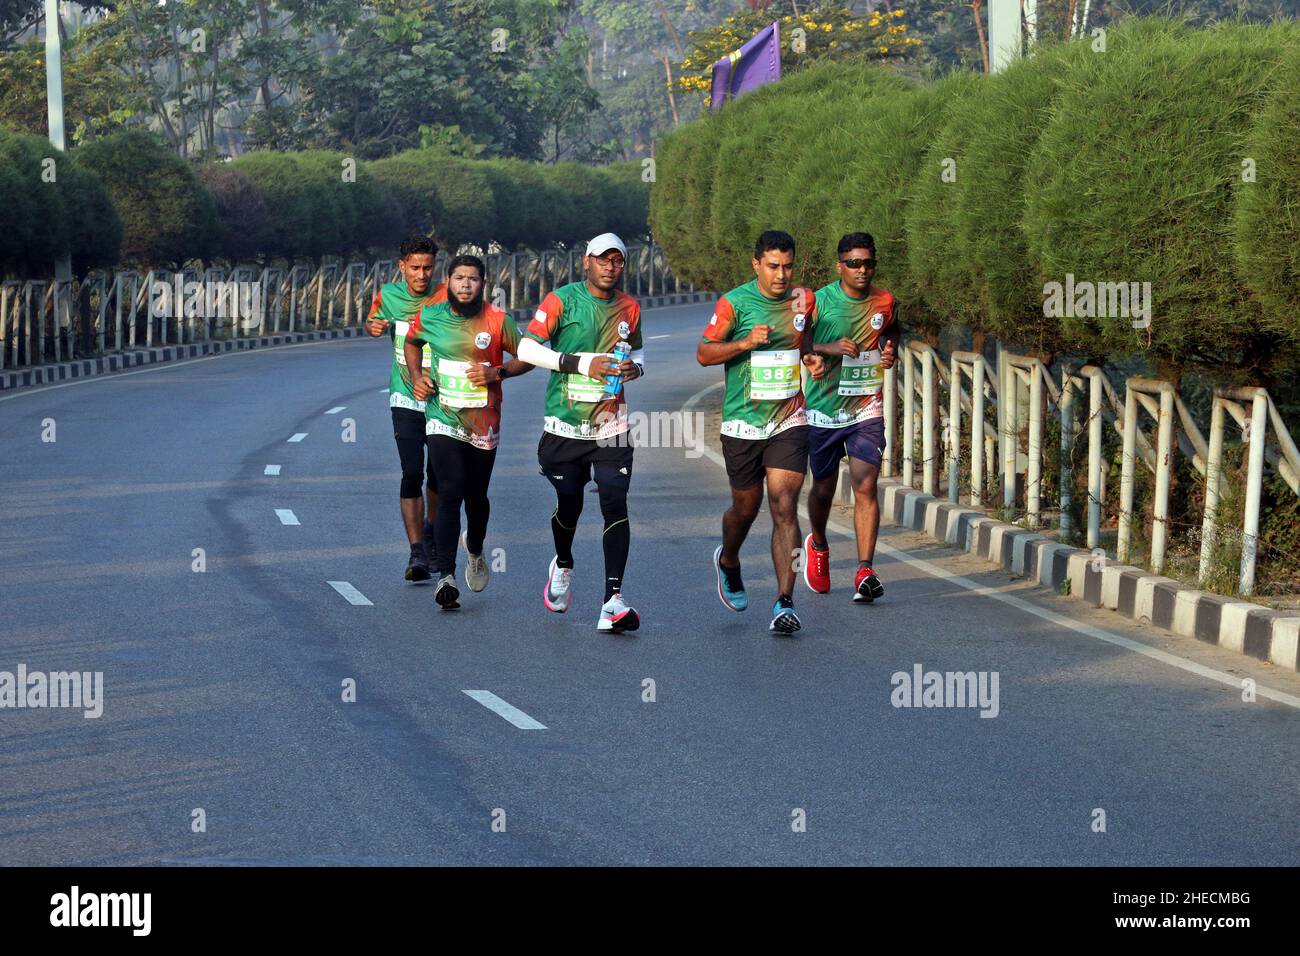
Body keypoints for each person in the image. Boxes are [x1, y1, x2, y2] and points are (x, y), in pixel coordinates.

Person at [696, 230, 826, 634]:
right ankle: (729, 560)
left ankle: (784, 602)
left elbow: (805, 340)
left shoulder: (804, 300)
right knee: (746, 509)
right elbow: (703, 353)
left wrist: (812, 359)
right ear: (757, 265)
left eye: (788, 266)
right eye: (773, 266)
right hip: (743, 423)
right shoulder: (734, 303)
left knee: (785, 503)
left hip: (789, 419)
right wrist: (744, 343)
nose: (781, 275)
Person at [515, 233, 645, 633]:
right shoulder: (561, 300)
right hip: (564, 427)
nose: (610, 266)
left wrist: (634, 369)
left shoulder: (630, 307)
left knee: (614, 503)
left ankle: (613, 600)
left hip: (612, 426)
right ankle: (564, 562)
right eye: (603, 260)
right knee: (569, 504)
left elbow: (637, 355)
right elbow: (526, 350)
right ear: (586, 262)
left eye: (618, 261)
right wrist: (579, 364)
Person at [406, 254, 532, 610]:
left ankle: (474, 547)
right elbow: (411, 343)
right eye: (459, 278)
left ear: (483, 284)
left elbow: (527, 356)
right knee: (450, 492)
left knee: (477, 497)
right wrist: (418, 377)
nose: (465, 284)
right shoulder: (430, 315)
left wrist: (498, 373)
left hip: (484, 421)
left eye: (472, 279)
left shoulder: (497, 321)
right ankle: (445, 575)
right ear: (448, 282)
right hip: (442, 416)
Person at [802, 233, 898, 603]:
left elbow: (892, 333)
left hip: (865, 409)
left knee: (865, 485)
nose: (862, 270)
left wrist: (891, 353)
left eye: (868, 263)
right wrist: (826, 350)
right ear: (839, 265)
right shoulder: (818, 302)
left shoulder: (885, 301)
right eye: (854, 263)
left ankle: (864, 570)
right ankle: (820, 545)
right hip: (823, 411)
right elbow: (798, 342)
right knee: (823, 489)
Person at [365, 236, 447, 582]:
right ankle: (416, 551)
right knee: (411, 471)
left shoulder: (447, 295)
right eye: (415, 267)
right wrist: (374, 327)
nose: (422, 274)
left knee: (439, 474)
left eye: (428, 267)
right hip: (404, 396)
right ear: (402, 267)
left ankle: (430, 534)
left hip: (444, 400)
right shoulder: (388, 295)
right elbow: (372, 323)